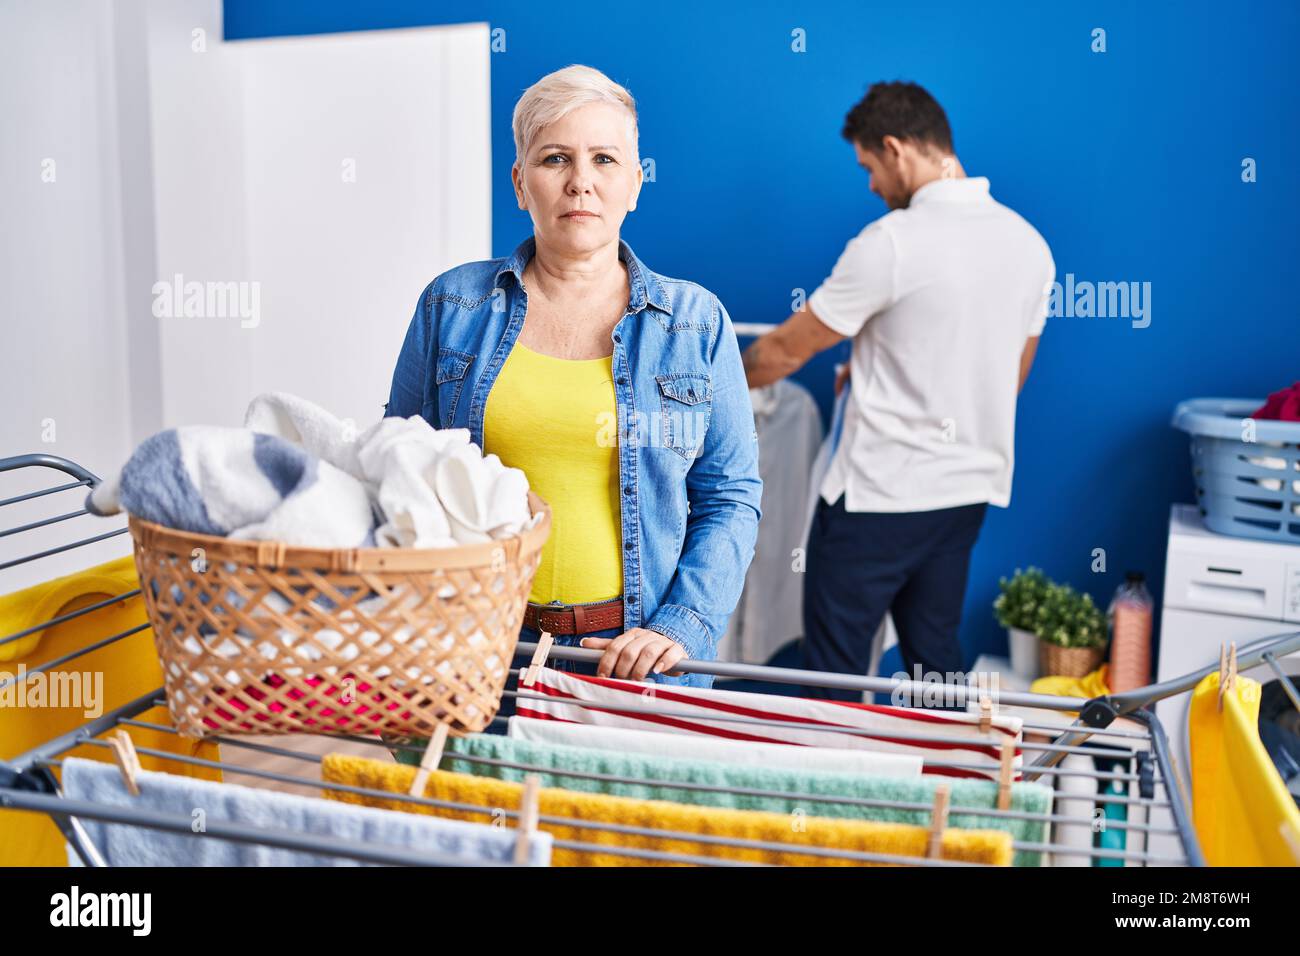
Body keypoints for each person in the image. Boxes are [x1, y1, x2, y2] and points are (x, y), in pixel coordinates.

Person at [385, 65, 761, 690]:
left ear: (635, 184)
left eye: (605, 159)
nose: (580, 182)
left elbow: (731, 498)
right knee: (463, 792)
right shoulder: (451, 307)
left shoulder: (696, 324)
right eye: (555, 158)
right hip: (471, 649)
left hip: (634, 661)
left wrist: (679, 627)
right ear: (520, 183)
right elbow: (394, 469)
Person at [742, 81, 1054, 701]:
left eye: (869, 167)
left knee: (831, 674)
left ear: (895, 149)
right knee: (934, 660)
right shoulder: (1029, 246)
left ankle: (827, 795)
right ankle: (947, 784)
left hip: (875, 502)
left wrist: (695, 390)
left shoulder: (892, 244)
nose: (871, 186)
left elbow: (783, 351)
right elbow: (1005, 377)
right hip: (964, 495)